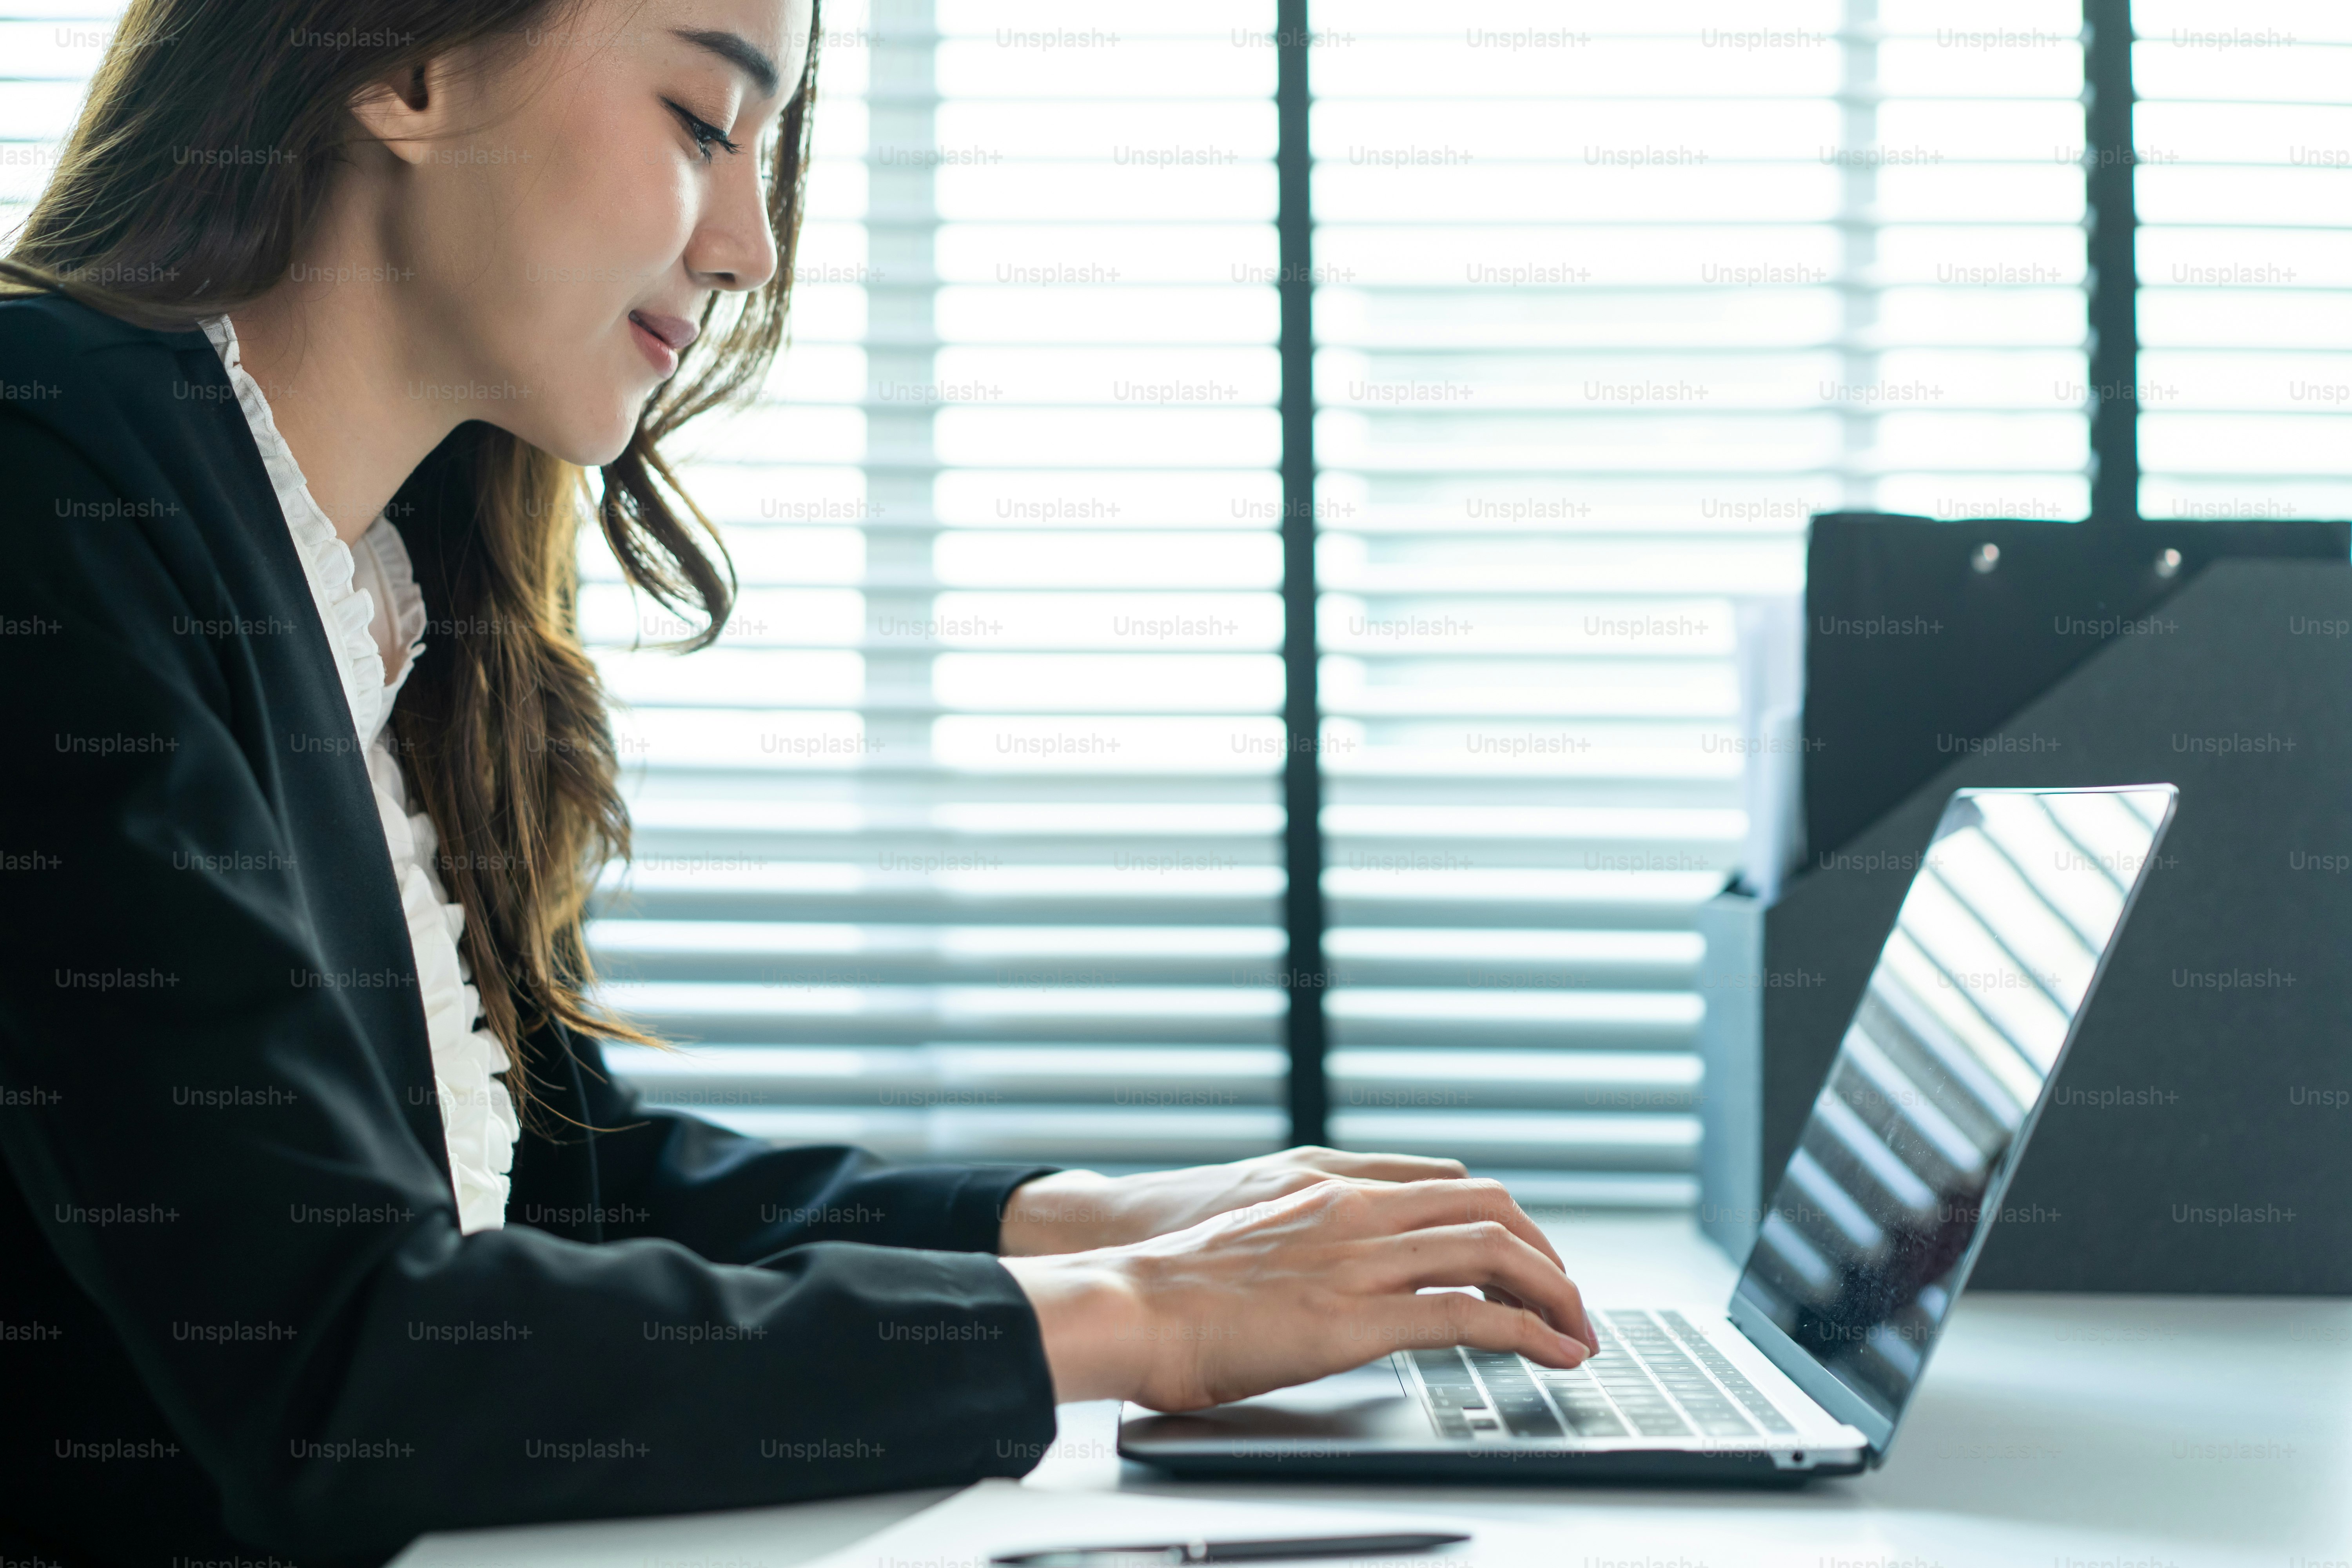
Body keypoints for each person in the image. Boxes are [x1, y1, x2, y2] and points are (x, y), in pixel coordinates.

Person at [0, 2, 1593, 1563]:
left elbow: (562, 1189)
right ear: (405, 67)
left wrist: (1100, 1221)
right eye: (703, 123)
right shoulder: (44, 479)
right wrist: (1146, 1320)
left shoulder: (370, 589)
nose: (750, 246)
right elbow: (343, 1362)